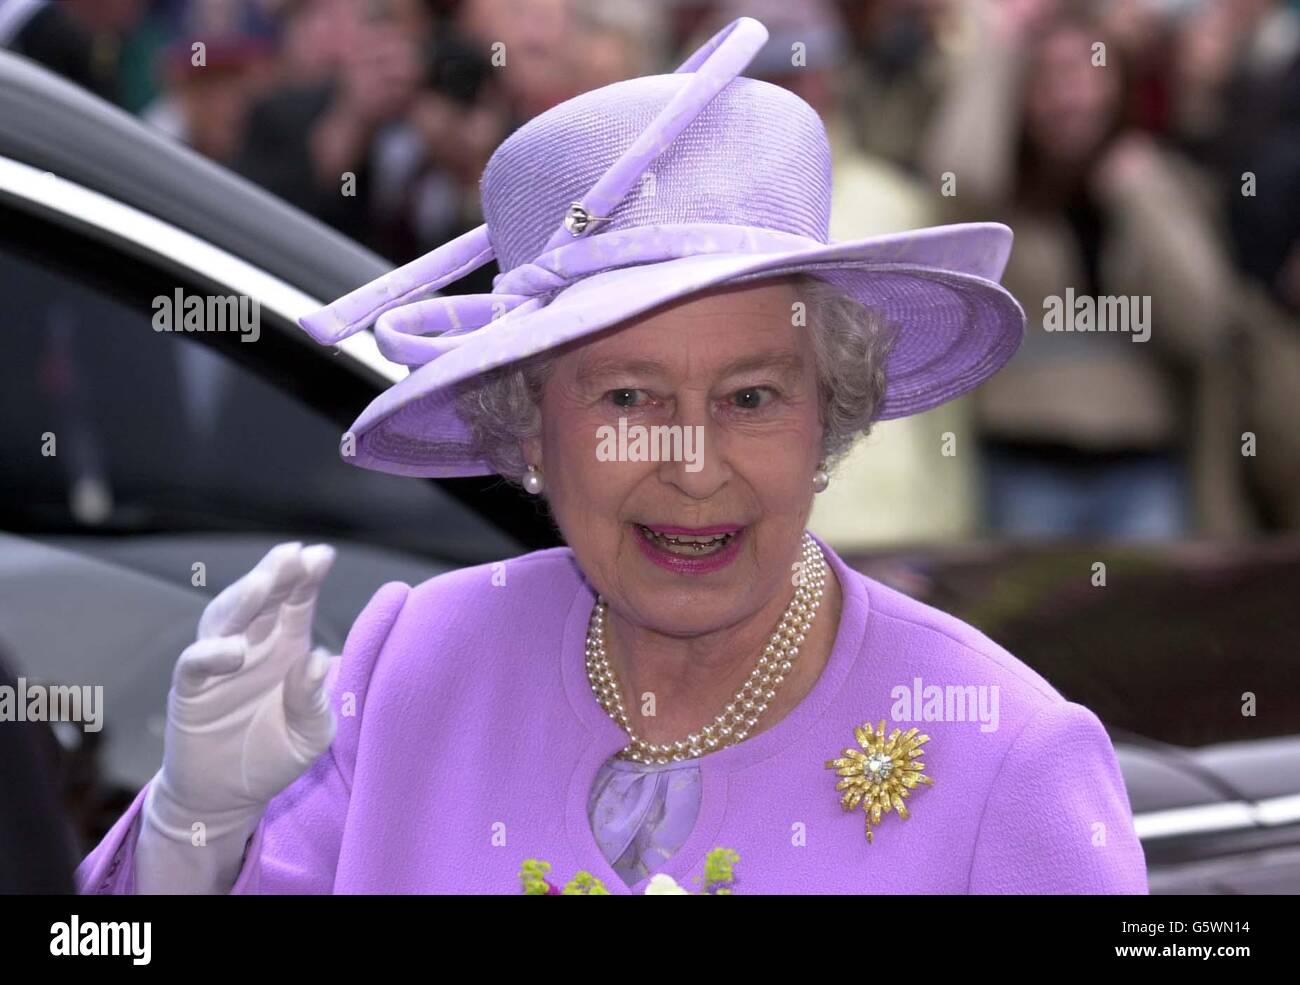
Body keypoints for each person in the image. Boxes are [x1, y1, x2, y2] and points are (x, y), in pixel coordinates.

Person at [76, 17, 1146, 894]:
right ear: (529, 428)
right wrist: (191, 833)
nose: (692, 464)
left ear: (829, 416)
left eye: (752, 396)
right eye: (628, 396)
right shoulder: (416, 667)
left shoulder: (1004, 752)